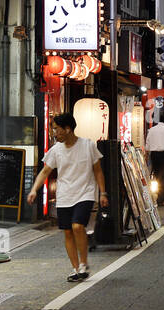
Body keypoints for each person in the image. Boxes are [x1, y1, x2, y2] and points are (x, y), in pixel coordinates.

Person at [26, 113, 106, 282]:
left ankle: (83, 263)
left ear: (68, 129)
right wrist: (34, 189)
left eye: (57, 129)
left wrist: (103, 192)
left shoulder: (88, 145)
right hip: (64, 195)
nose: (54, 133)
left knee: (77, 226)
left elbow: (98, 170)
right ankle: (76, 269)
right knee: (67, 232)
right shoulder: (56, 150)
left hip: (85, 193)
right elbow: (45, 171)